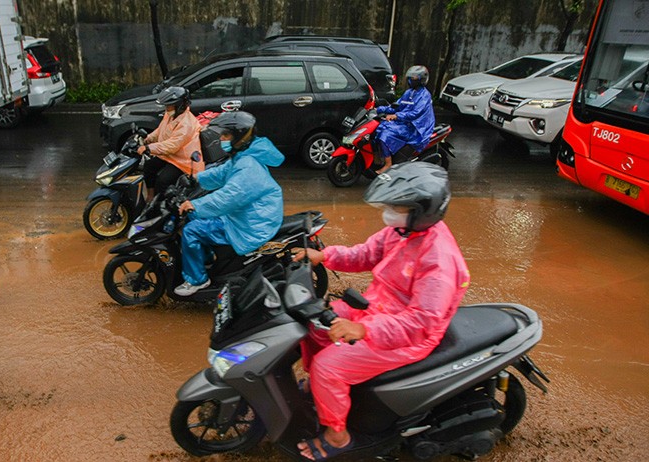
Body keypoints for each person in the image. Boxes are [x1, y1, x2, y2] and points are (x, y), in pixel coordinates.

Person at [293, 162, 470, 461]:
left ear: (422, 210)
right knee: (313, 328)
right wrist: (323, 256)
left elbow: (421, 322)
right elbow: (365, 254)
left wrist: (364, 330)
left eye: (397, 206)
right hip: (376, 308)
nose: (389, 212)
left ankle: (338, 436)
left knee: (328, 366)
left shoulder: (438, 259)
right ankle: (321, 391)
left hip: (407, 334)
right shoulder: (401, 232)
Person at [174, 111, 284, 296]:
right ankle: (206, 259)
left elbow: (227, 198)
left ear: (239, 136)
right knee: (195, 219)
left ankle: (198, 280)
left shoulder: (247, 166)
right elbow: (221, 173)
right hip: (252, 213)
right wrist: (195, 178)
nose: (221, 138)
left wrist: (196, 205)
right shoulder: (243, 156)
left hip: (252, 223)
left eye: (226, 135)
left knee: (191, 231)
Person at [137, 86, 204, 200]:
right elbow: (161, 130)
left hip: (183, 161)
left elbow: (172, 146)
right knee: (148, 167)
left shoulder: (187, 123)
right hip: (169, 155)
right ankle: (150, 197)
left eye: (169, 105)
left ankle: (163, 208)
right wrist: (148, 138)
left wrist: (149, 148)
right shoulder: (170, 115)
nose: (167, 108)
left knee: (162, 181)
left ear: (180, 105)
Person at [373, 65, 436, 174]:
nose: (410, 80)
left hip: (416, 127)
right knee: (376, 128)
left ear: (422, 79)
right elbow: (397, 106)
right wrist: (378, 109)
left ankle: (388, 165)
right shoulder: (409, 92)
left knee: (385, 135)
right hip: (404, 123)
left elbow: (415, 114)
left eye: (414, 78)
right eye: (410, 78)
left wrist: (396, 116)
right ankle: (378, 159)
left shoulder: (424, 96)